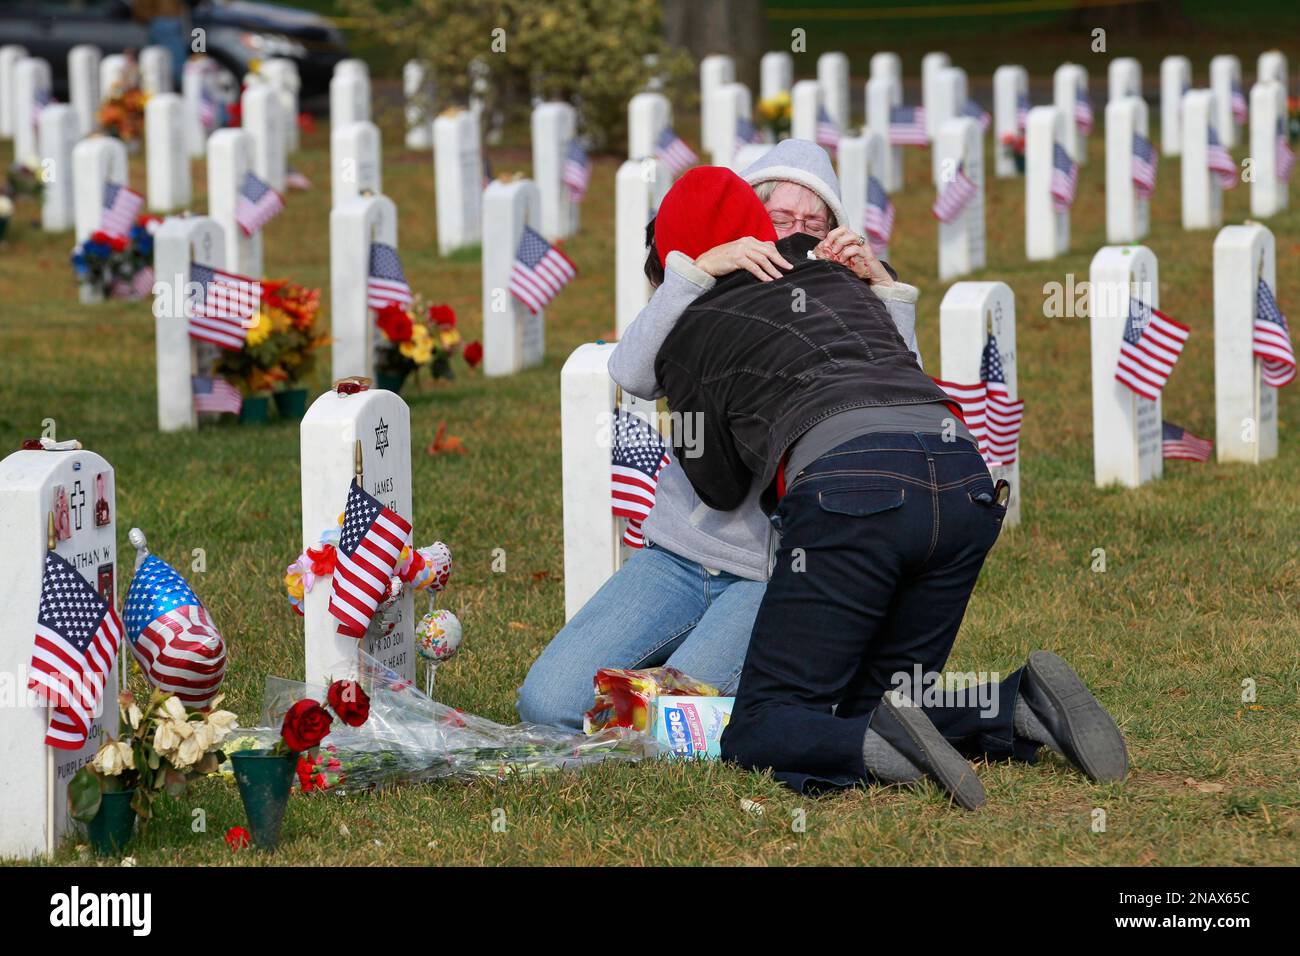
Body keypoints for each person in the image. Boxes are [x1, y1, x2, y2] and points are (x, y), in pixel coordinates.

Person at [650, 167, 1128, 807]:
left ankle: (873, 747)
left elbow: (719, 486)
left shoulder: (689, 331)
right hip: (964, 482)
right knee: (880, 700)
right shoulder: (838, 276)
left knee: (761, 726)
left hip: (852, 486)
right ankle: (1014, 706)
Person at [517, 141, 911, 730]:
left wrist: (884, 293)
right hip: (679, 555)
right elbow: (631, 372)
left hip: (775, 571)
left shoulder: (839, 299)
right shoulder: (712, 291)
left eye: (815, 223)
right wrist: (697, 270)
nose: (797, 234)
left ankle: (783, 687)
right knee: (546, 703)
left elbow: (900, 406)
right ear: (750, 219)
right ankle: (764, 689)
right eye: (781, 218)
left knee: (673, 720)